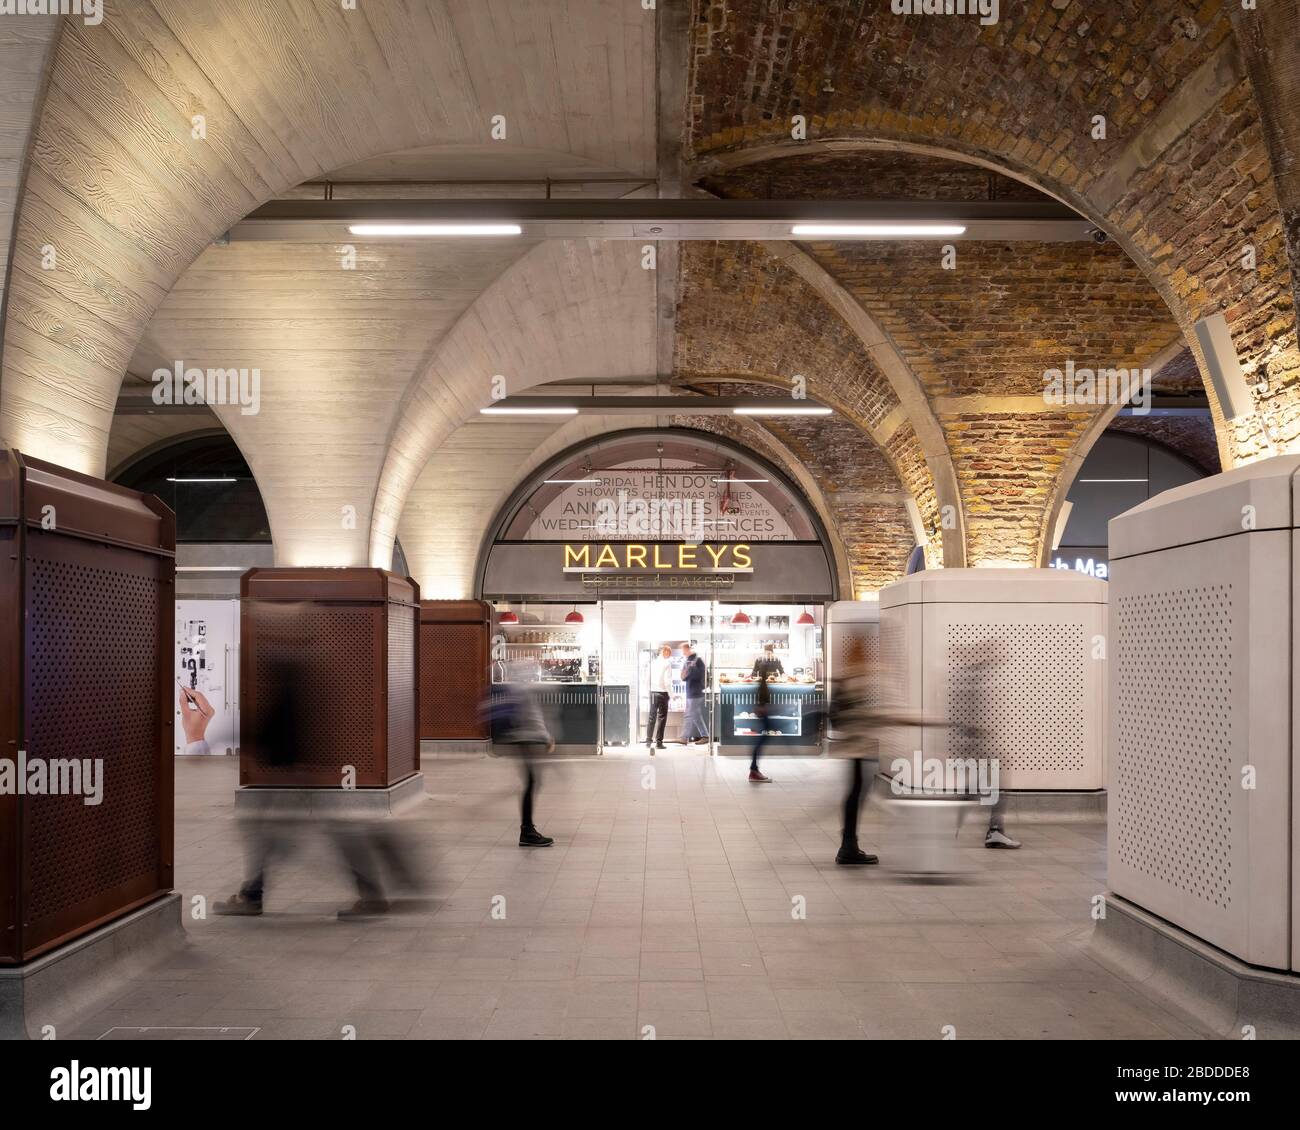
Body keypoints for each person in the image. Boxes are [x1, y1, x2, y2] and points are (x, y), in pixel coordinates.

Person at [490, 660, 556, 847]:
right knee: (531, 782)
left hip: (520, 739)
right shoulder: (525, 692)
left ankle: (527, 829)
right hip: (526, 740)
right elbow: (532, 717)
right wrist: (546, 737)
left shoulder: (515, 690)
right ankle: (527, 831)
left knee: (531, 781)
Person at [747, 661, 774, 783]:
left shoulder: (762, 683)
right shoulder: (763, 684)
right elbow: (762, 699)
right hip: (764, 714)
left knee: (762, 739)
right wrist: (763, 707)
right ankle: (754, 770)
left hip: (764, 714)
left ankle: (754, 770)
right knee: (761, 741)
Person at [679, 641, 709, 745]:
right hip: (690, 692)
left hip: (696, 693)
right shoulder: (687, 661)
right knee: (696, 716)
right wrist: (687, 672)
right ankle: (705, 736)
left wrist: (690, 670)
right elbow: (683, 677)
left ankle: (684, 738)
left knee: (688, 715)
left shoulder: (698, 660)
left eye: (684, 649)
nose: (683, 652)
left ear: (688, 649)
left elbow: (701, 675)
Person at [646, 644, 672, 753]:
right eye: (669, 653)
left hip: (653, 693)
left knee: (652, 717)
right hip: (662, 693)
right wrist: (671, 694)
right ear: (665, 652)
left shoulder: (652, 663)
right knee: (661, 718)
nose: (669, 656)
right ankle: (659, 742)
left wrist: (649, 691)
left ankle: (648, 741)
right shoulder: (667, 663)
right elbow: (667, 682)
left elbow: (647, 679)